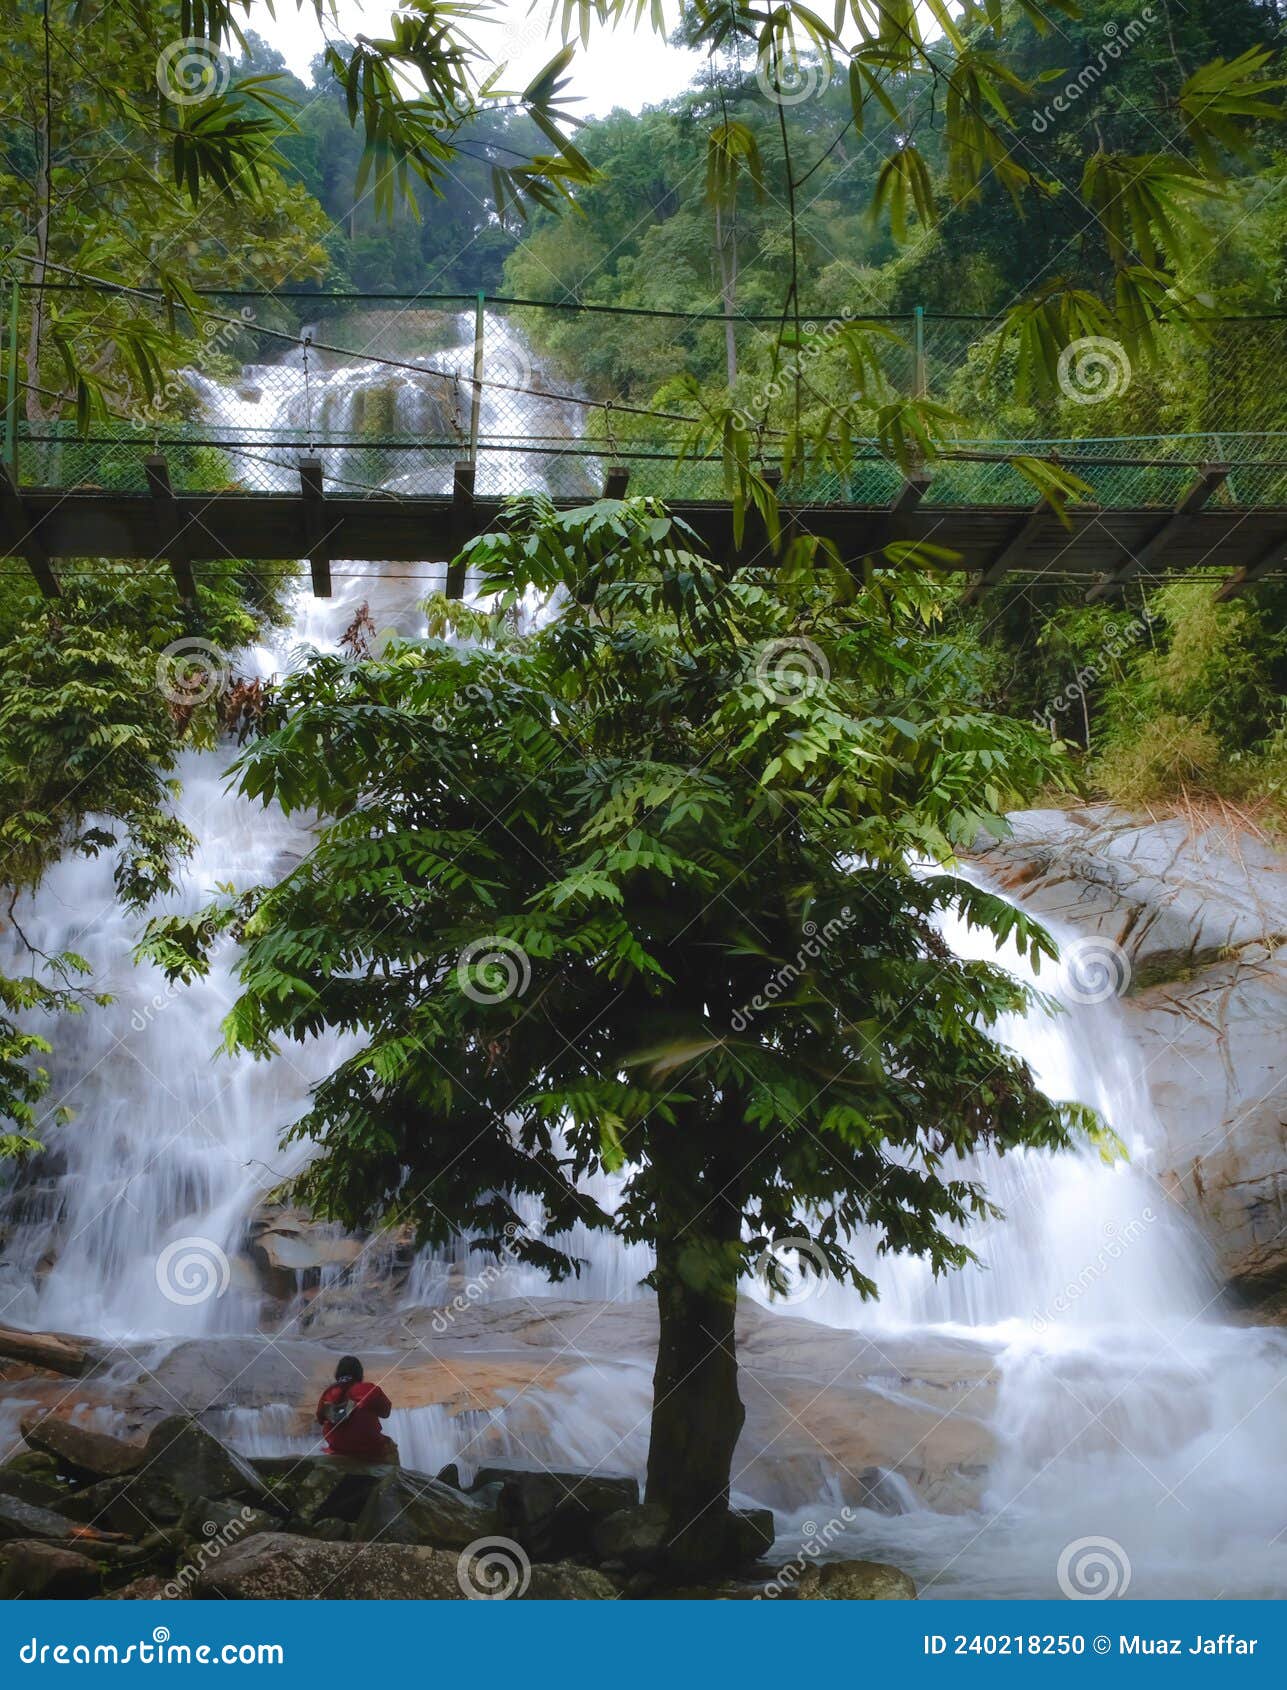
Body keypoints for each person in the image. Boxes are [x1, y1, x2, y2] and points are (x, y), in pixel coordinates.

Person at [315, 1355, 399, 1463]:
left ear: (338, 1373)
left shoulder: (328, 1392)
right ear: (359, 1373)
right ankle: (394, 1478)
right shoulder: (368, 1389)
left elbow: (320, 1419)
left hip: (337, 1447)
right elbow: (386, 1412)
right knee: (391, 1447)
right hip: (368, 1445)